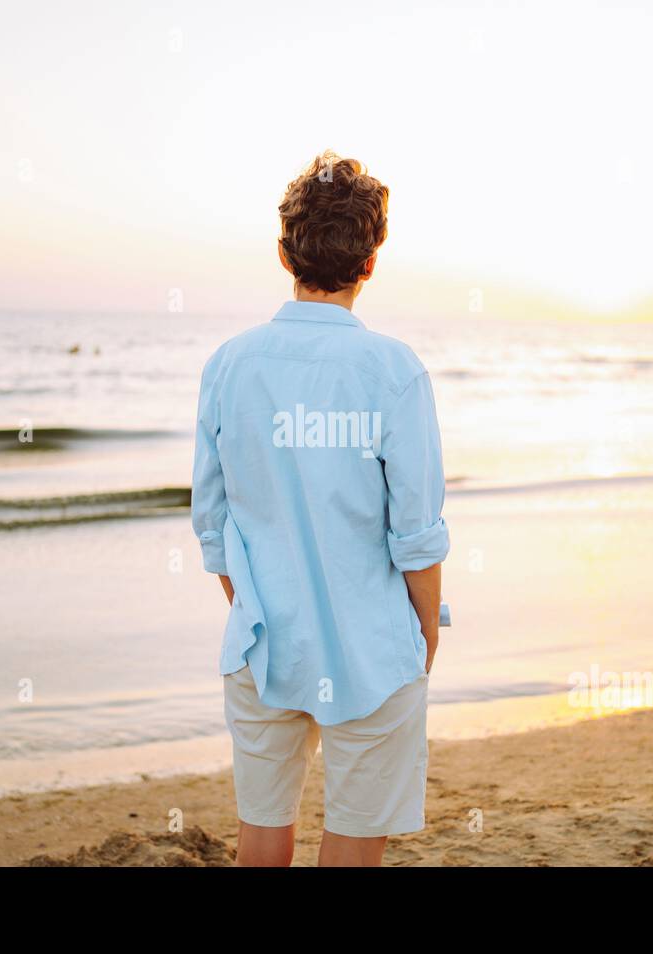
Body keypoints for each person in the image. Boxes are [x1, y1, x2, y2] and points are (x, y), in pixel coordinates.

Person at [191, 151, 449, 867]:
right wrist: (423, 636)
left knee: (262, 843)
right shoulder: (394, 371)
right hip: (371, 644)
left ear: (284, 253)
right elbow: (417, 536)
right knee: (354, 850)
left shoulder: (229, 365)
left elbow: (211, 524)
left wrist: (251, 603)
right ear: (370, 263)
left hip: (262, 639)